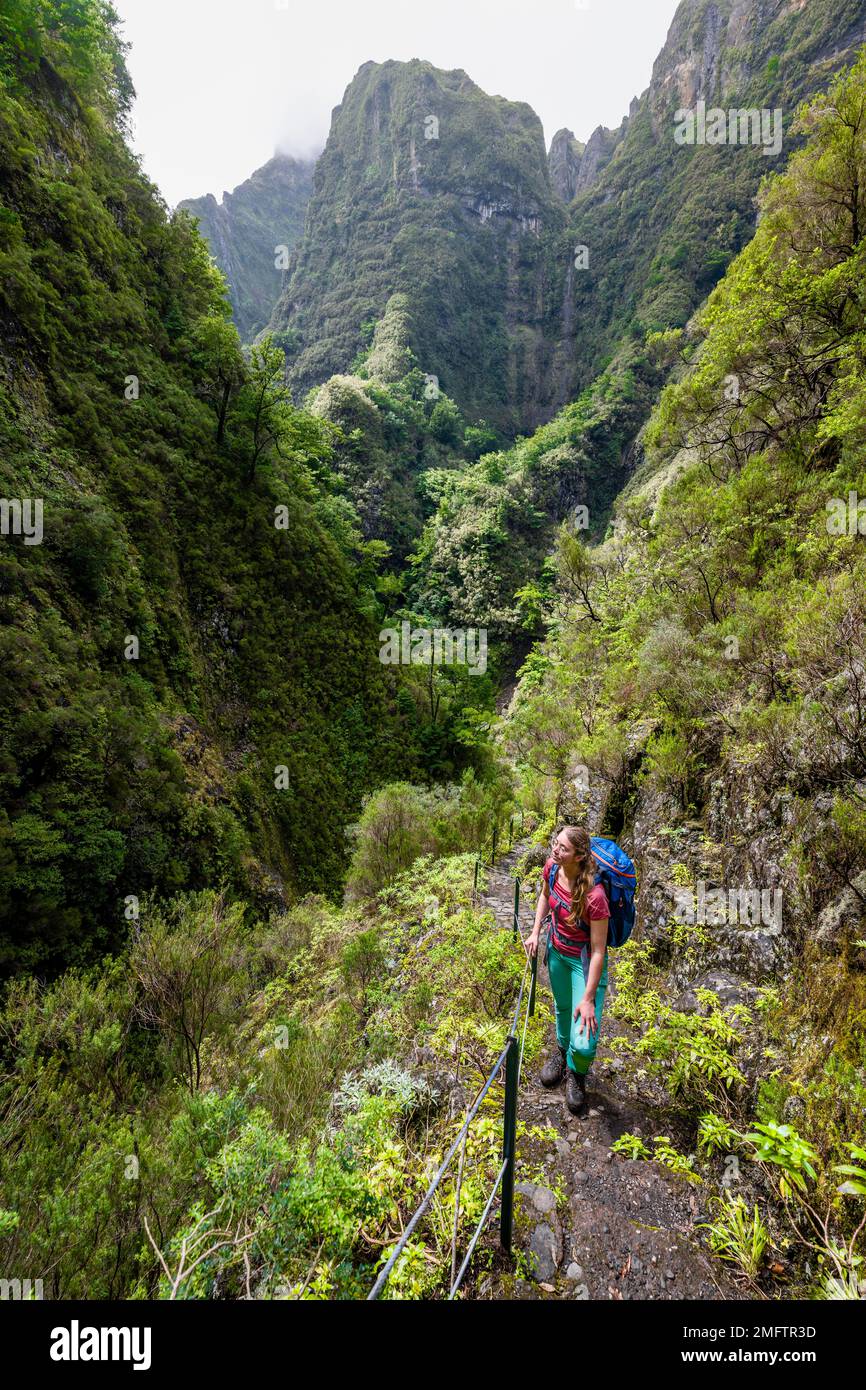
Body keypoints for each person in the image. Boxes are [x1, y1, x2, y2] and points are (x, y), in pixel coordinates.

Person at [524, 825, 610, 1116]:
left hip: (583, 964)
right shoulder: (551, 868)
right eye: (555, 844)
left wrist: (587, 998)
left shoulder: (595, 897)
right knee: (562, 1008)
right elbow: (544, 897)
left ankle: (577, 1072)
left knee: (584, 1040)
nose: (555, 850)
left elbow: (598, 950)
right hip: (557, 953)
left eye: (563, 848)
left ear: (579, 855)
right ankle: (562, 1054)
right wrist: (536, 932)